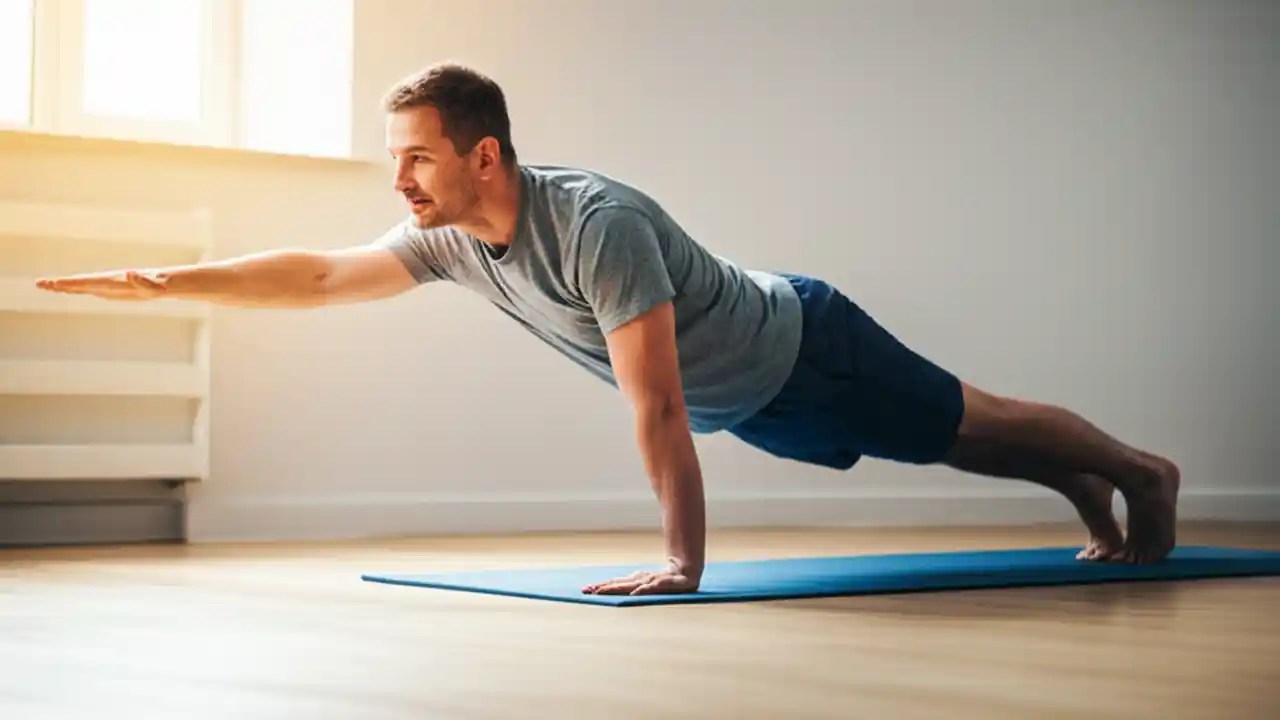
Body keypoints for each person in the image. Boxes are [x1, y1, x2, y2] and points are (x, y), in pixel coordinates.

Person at [35, 62, 1180, 596]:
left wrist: (682, 565)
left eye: (417, 157)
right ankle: (1083, 492)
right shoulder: (446, 238)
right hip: (761, 400)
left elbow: (657, 403)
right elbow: (323, 277)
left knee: (965, 419)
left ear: (484, 153)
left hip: (803, 344)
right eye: (394, 161)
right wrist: (172, 279)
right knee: (944, 439)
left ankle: (1136, 470)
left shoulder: (597, 227)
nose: (401, 183)